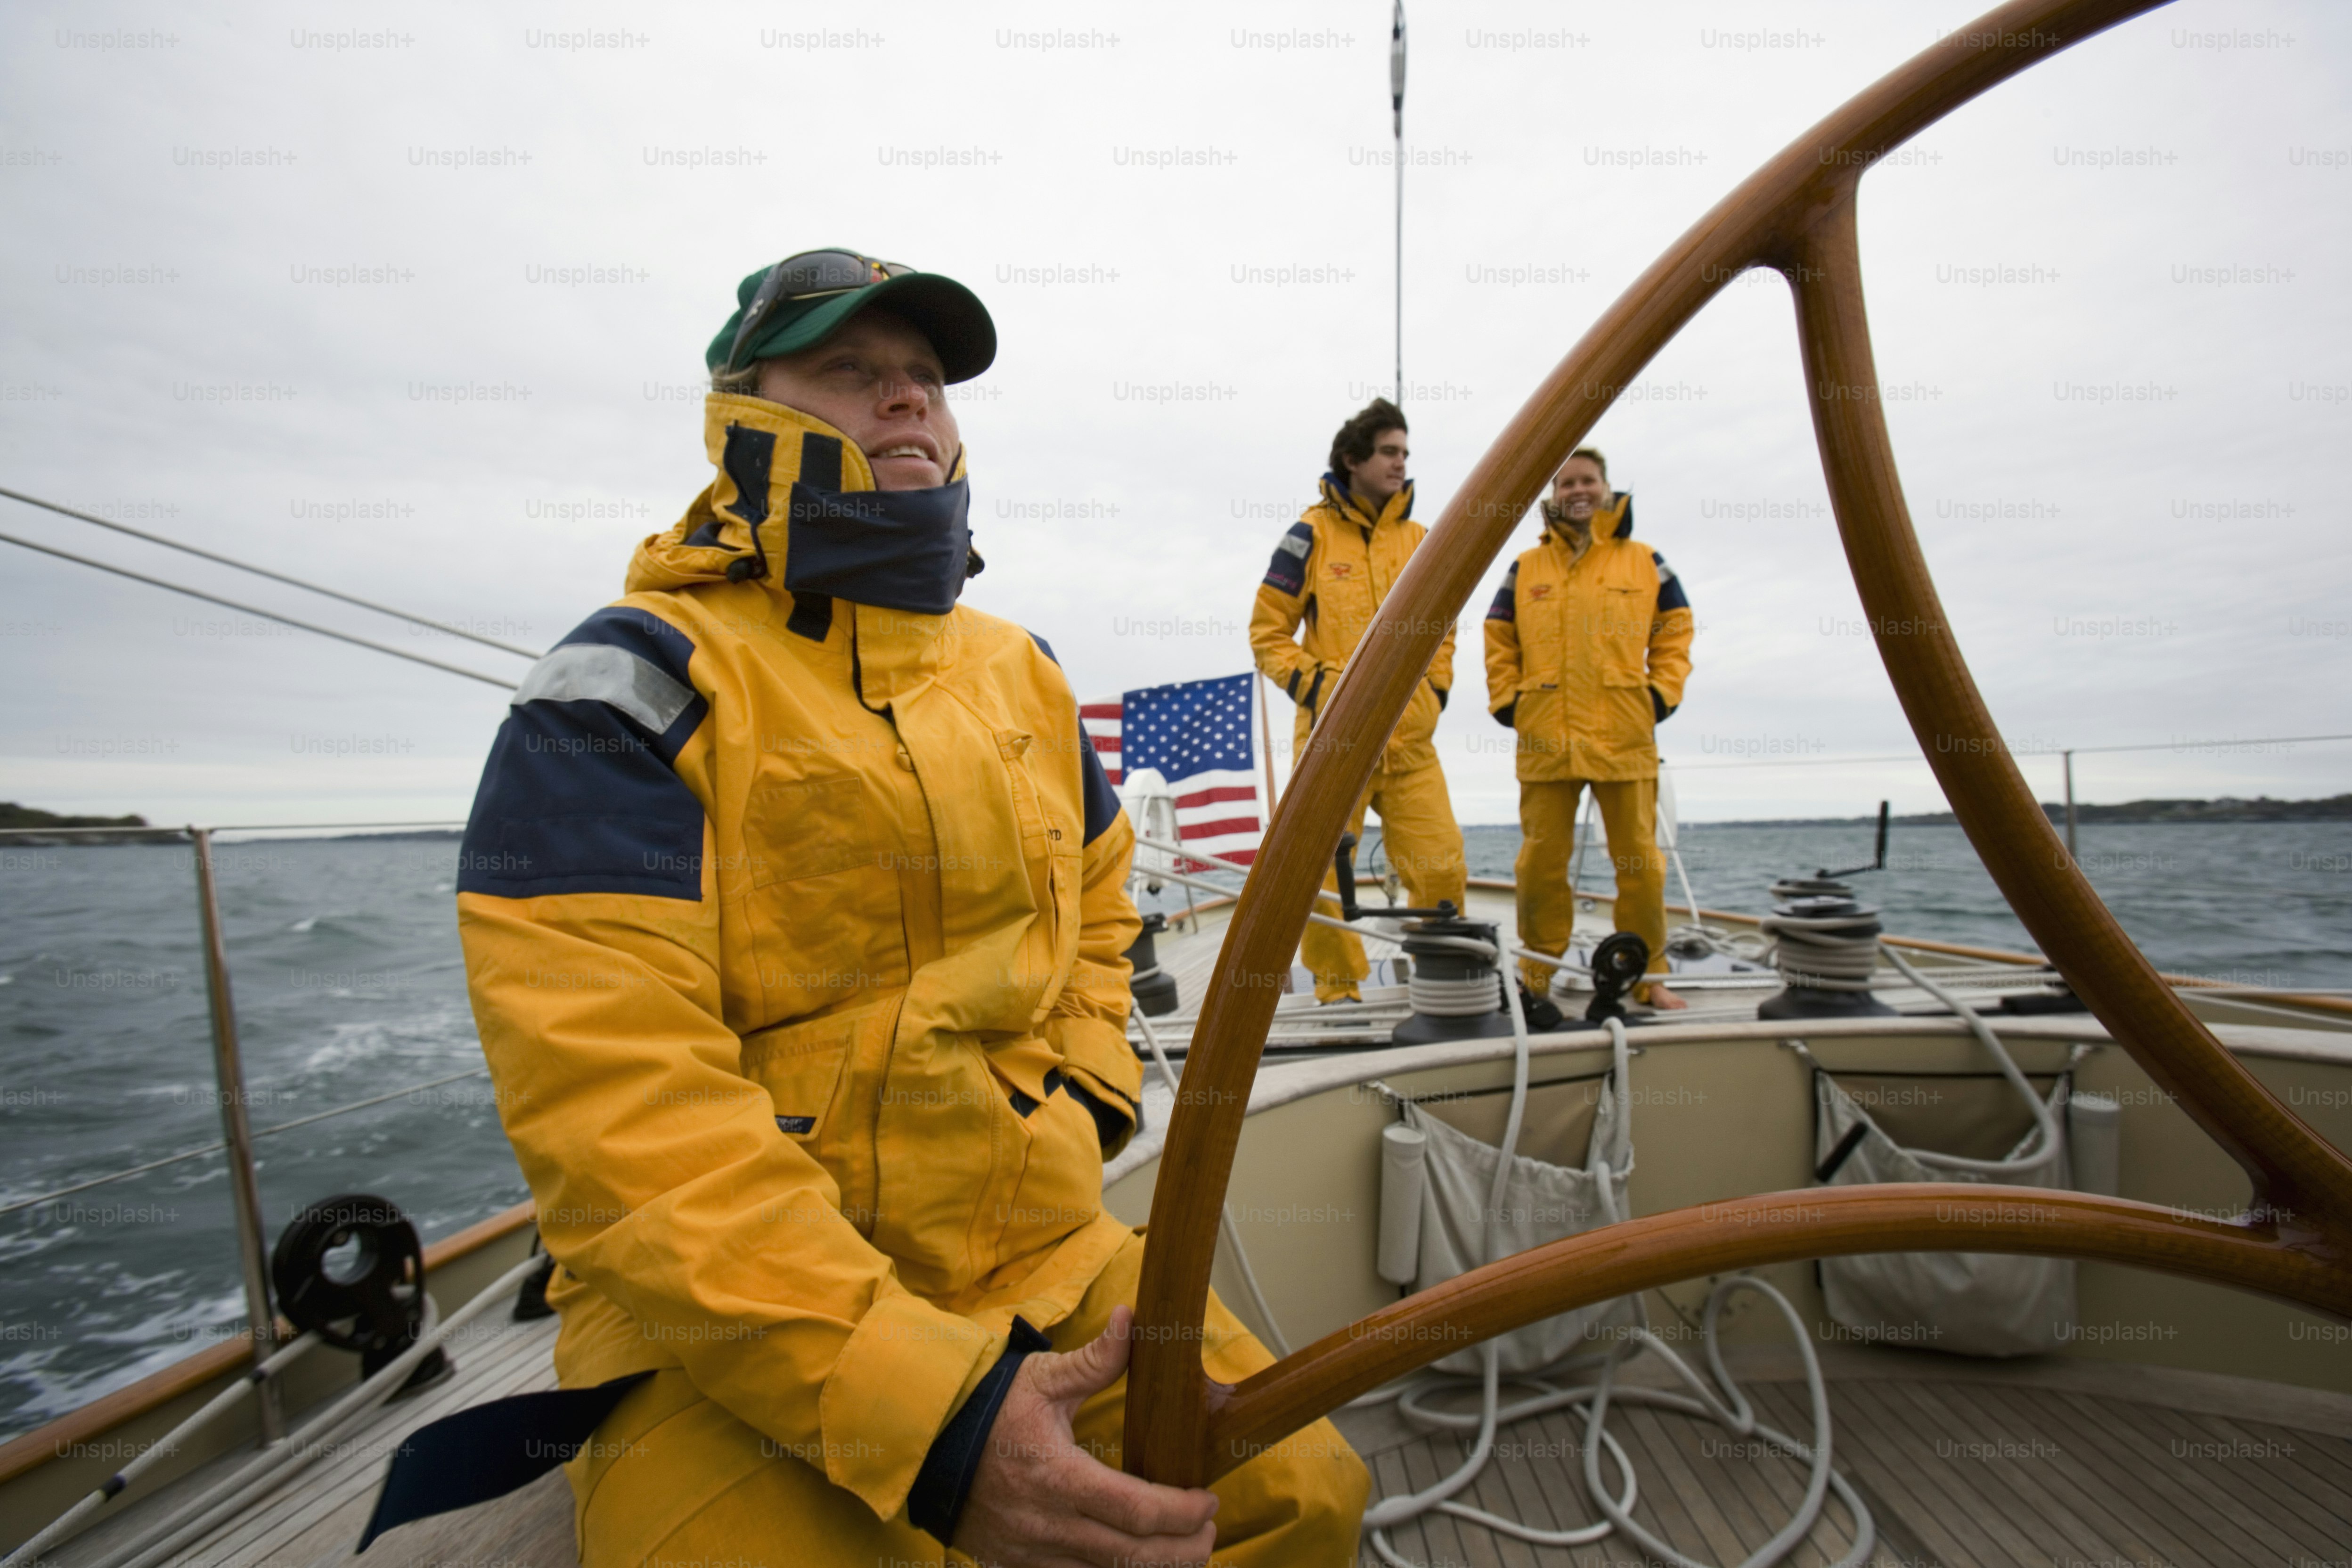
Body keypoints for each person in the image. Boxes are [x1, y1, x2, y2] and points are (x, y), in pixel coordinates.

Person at [453, 250, 1366, 1568]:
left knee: (1304, 1499)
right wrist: (935, 1428)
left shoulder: (1023, 677)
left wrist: (1090, 1086)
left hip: (1035, 1252)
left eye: (926, 381)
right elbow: (617, 1104)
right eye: (851, 372)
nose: (906, 404)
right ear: (744, 410)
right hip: (724, 1321)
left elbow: (1107, 917)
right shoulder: (629, 686)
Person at [1249, 398, 1469, 1003]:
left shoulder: (1425, 540)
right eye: (1389, 452)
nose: (1401, 464)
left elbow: (1443, 628)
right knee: (1315, 869)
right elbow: (1267, 635)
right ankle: (1338, 987)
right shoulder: (1308, 535)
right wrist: (1323, 690)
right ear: (1353, 459)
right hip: (1333, 739)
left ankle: (1443, 979)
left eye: (1405, 453)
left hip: (1411, 742)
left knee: (1442, 864)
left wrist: (1435, 690)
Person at [1484, 447, 1694, 1011]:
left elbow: (1676, 629)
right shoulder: (1525, 567)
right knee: (1539, 866)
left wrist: (1660, 695)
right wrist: (1509, 703)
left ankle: (1649, 976)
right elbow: (1499, 636)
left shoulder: (1646, 560)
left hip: (1625, 733)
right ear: (1553, 496)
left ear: (1606, 488)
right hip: (1546, 736)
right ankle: (1537, 974)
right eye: (1567, 483)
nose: (1578, 490)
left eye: (1588, 480)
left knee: (1640, 864)